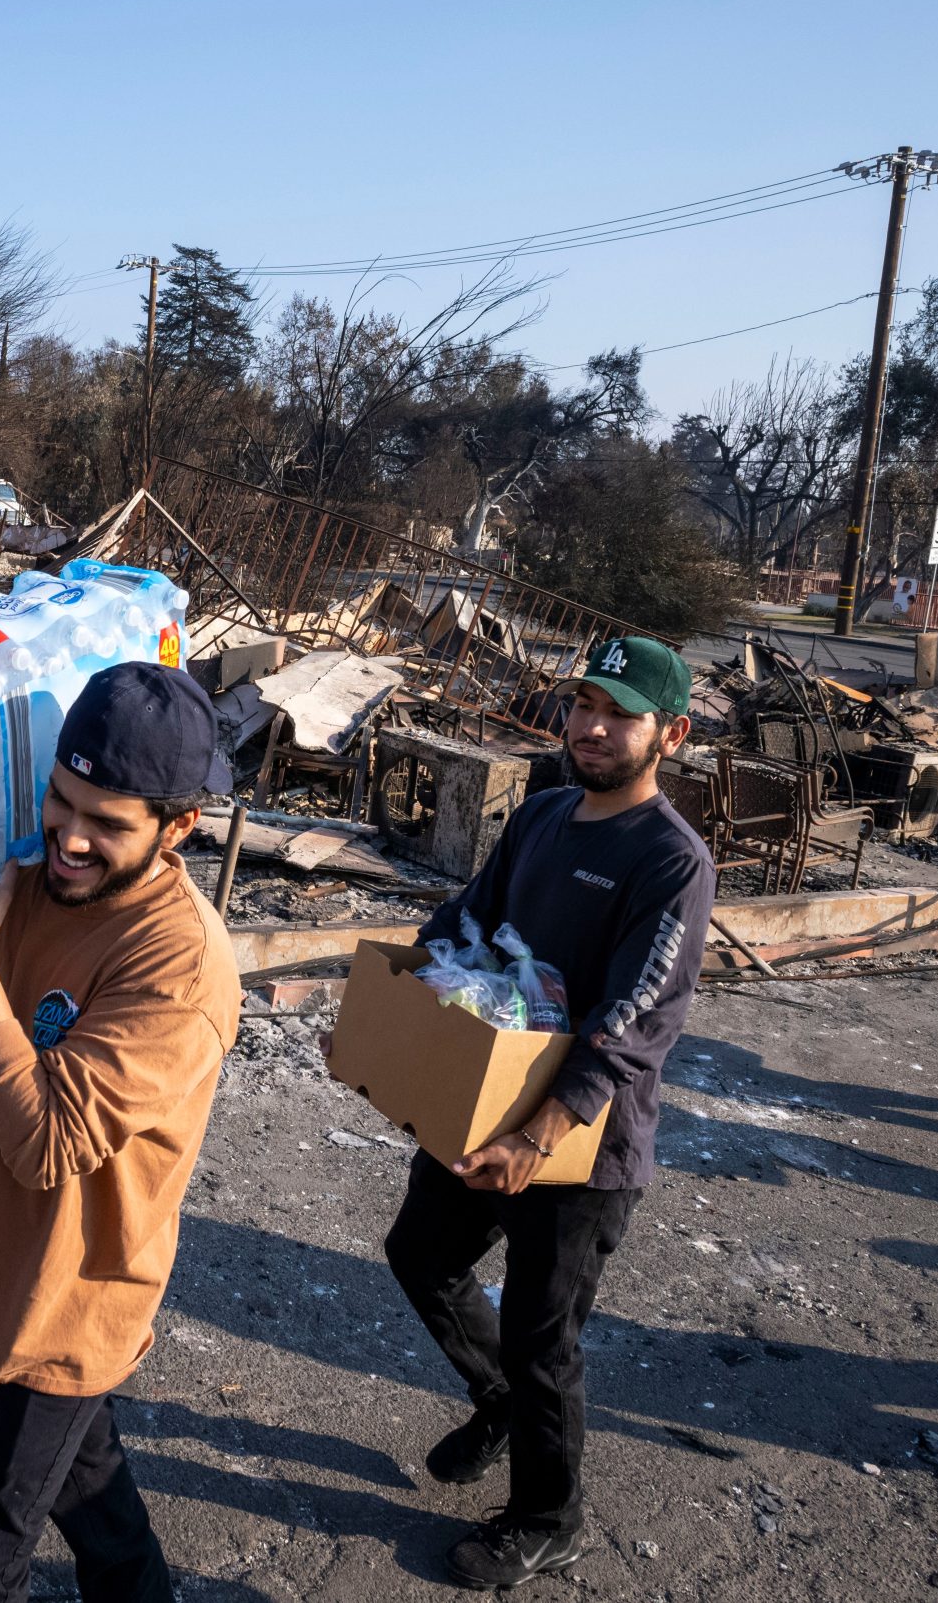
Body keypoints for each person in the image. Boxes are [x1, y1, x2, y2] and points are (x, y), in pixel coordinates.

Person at [0, 662, 241, 1603]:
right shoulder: (37, 866)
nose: (69, 837)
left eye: (108, 824)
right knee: (90, 1485)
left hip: (66, 1302)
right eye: (62, 801)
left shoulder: (179, 966)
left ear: (178, 824)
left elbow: (46, 1141)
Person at [357, 635, 713, 1590]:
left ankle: (551, 1515)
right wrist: (384, 1024)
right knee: (421, 1254)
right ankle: (502, 1400)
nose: (591, 726)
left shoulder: (671, 861)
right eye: (583, 704)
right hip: (481, 1101)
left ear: (668, 734)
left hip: (580, 1147)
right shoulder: (548, 813)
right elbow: (466, 923)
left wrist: (539, 1134)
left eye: (620, 713)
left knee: (543, 1334)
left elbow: (636, 1019)